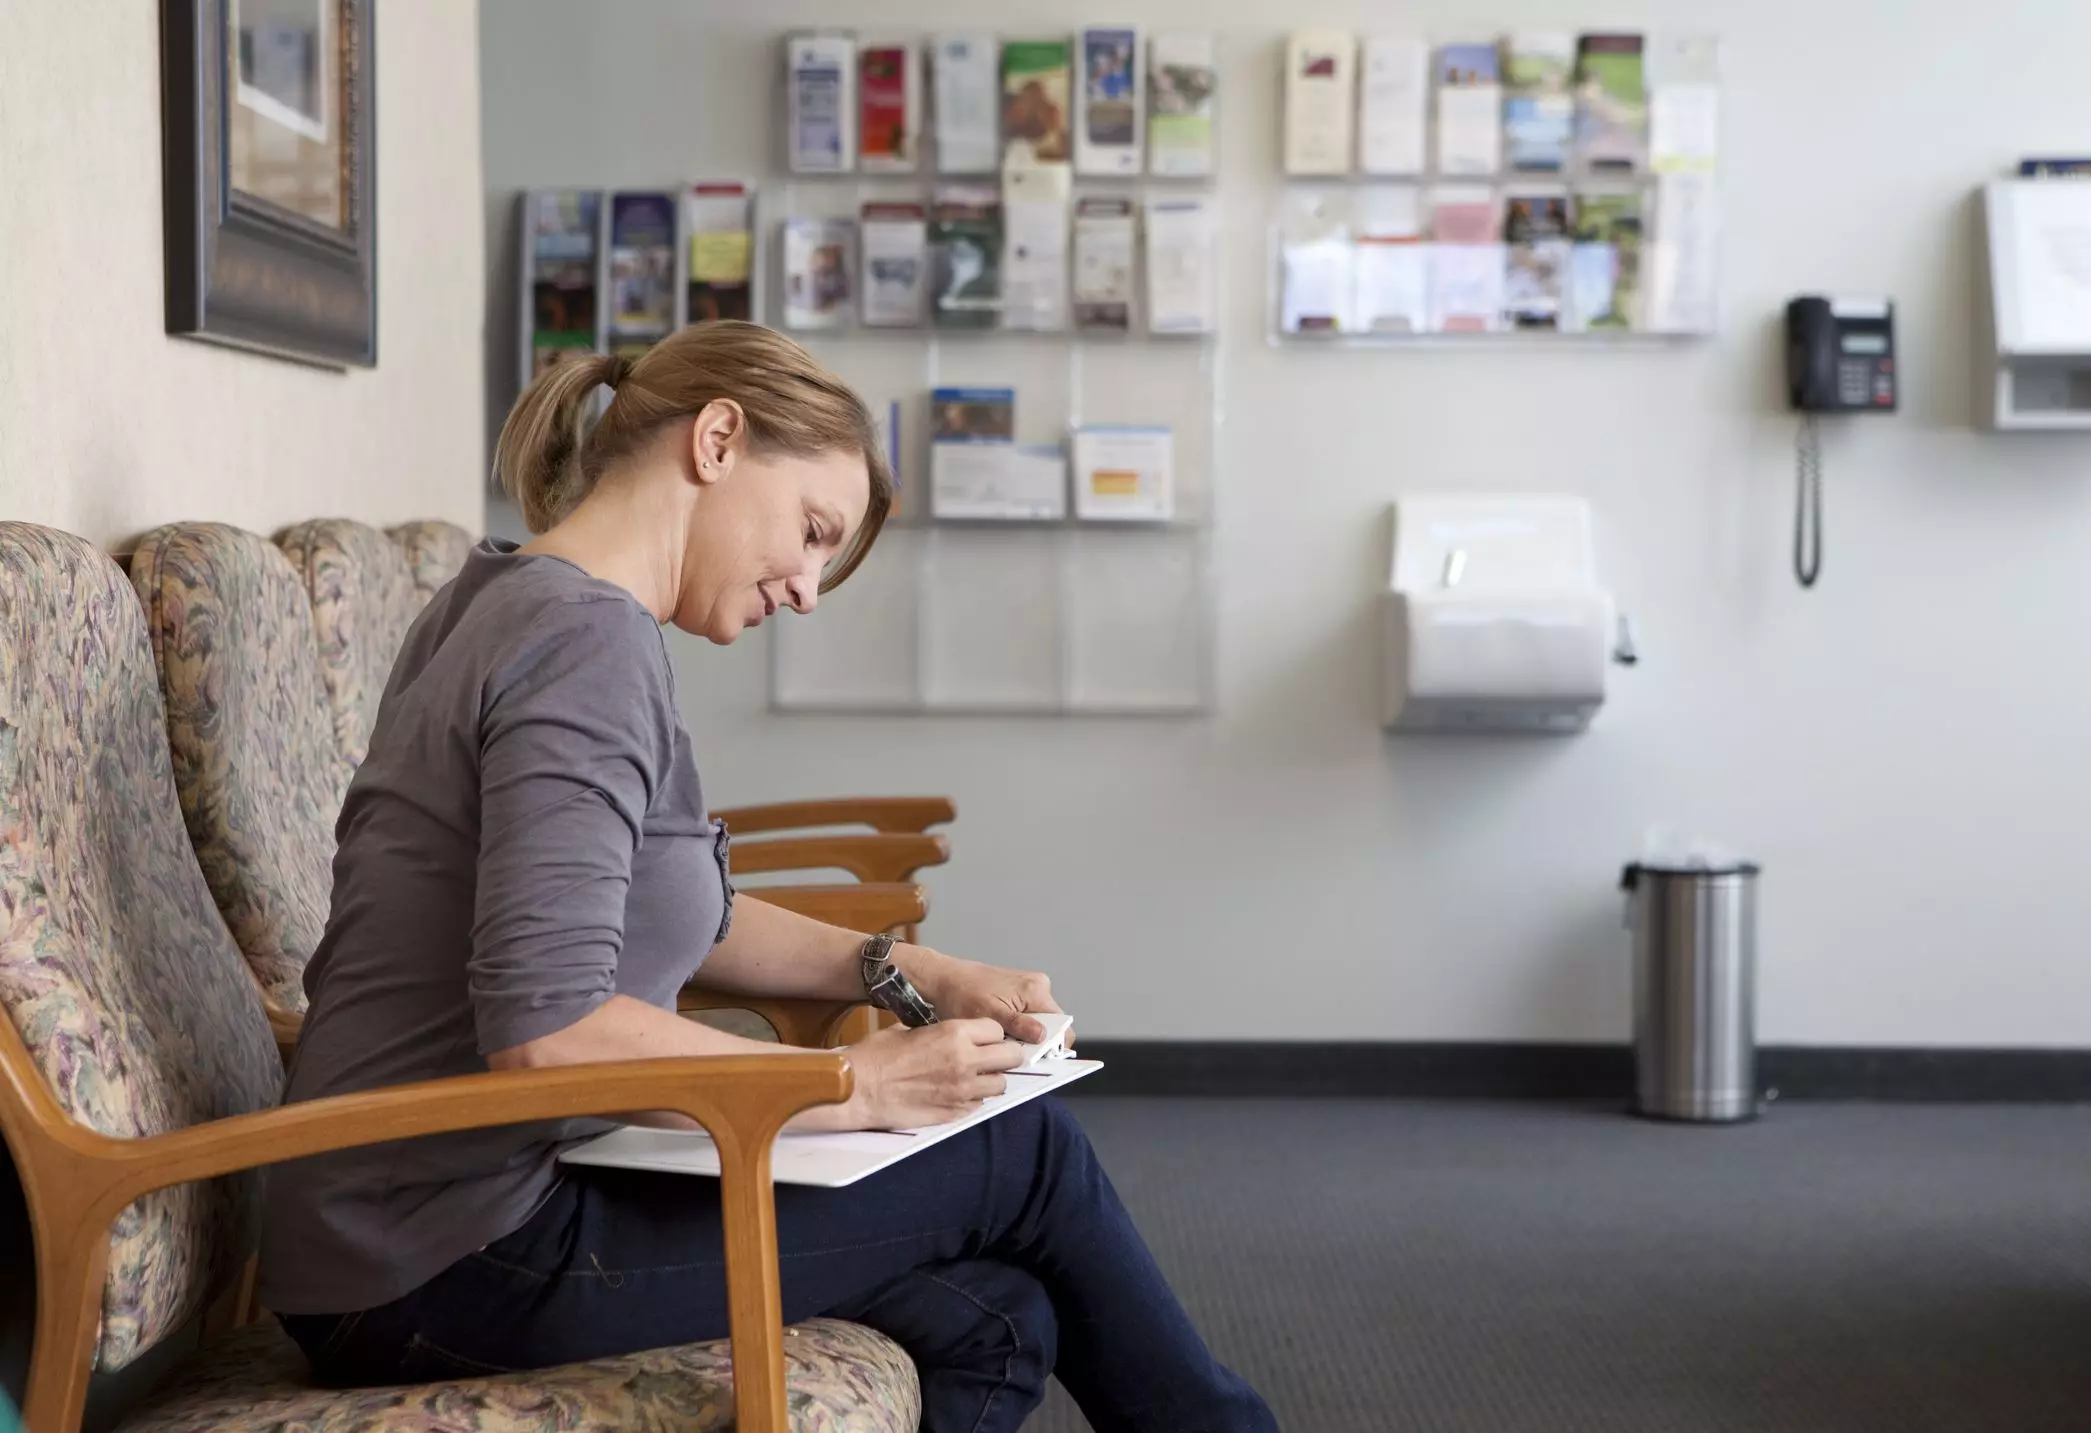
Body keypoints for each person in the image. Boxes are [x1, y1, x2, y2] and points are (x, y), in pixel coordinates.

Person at [259, 320, 1277, 1433]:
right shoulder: (585, 645)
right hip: (437, 1252)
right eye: (813, 529)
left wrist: (898, 967)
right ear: (718, 439)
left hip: (401, 1216)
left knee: (996, 1314)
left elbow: (656, 907)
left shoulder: (504, 596)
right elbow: (546, 1031)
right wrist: (856, 1088)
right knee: (1023, 1149)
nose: (808, 589)